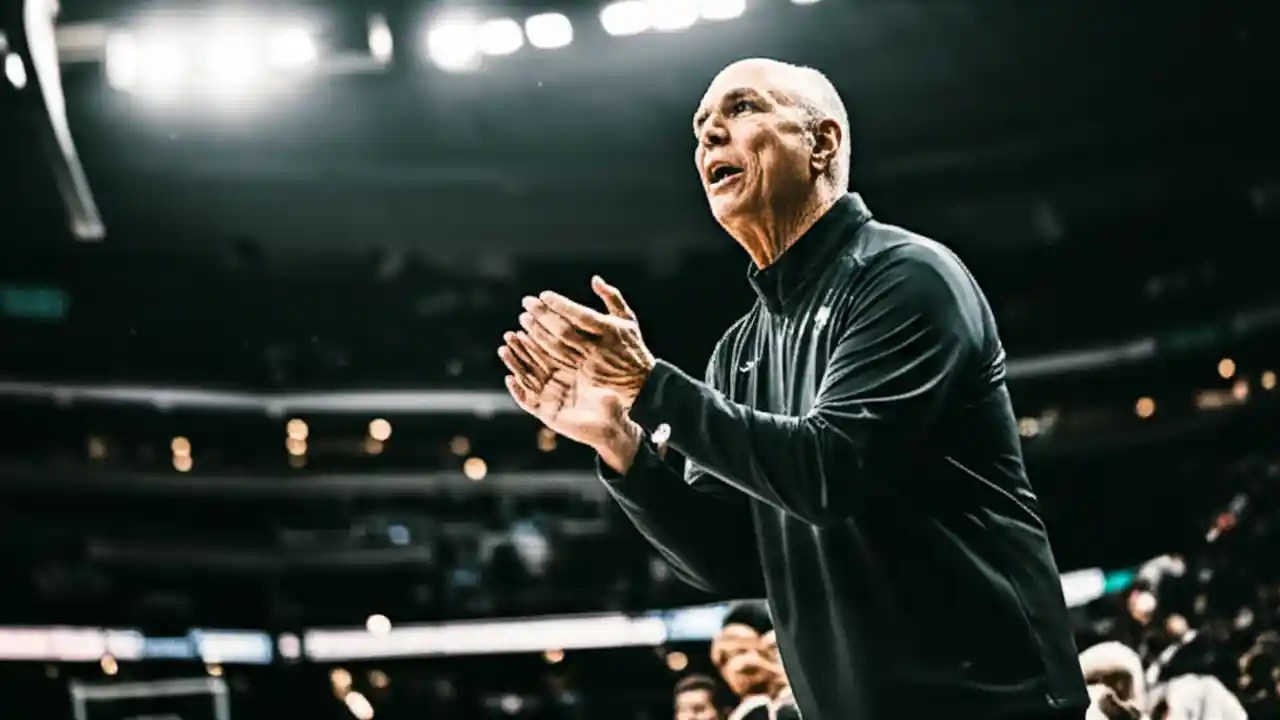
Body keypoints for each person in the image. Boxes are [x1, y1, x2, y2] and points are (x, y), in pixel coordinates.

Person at [497, 57, 1089, 719]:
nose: (709, 137)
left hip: (993, 705)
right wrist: (622, 443)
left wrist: (652, 385)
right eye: (699, 129)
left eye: (742, 108)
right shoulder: (738, 351)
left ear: (822, 142)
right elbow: (728, 558)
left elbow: (830, 472)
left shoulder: (907, 278)